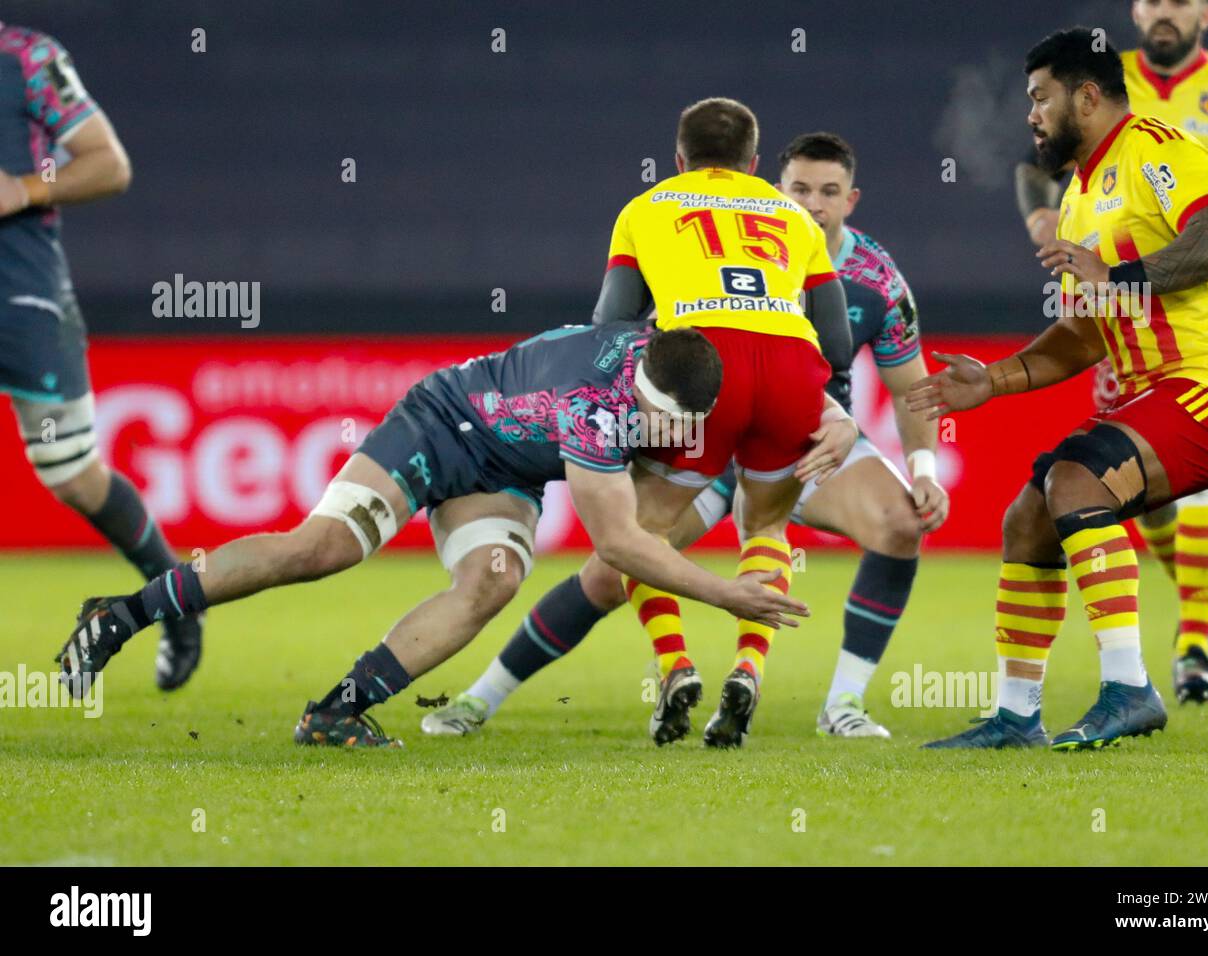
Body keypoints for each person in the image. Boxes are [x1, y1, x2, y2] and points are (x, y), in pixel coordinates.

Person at [56, 324, 820, 747]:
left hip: (507, 468)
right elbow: (618, 546)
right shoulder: (596, 407)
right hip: (442, 422)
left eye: (686, 423)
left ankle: (335, 713)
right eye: (663, 421)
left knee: (490, 580)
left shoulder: (670, 370)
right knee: (323, 549)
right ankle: (122, 615)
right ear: (640, 390)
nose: (673, 436)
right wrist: (727, 594)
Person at [424, 132, 948, 741]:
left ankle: (842, 705)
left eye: (828, 192)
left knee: (900, 525)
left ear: (851, 199)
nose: (812, 204)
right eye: (799, 189)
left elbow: (912, 384)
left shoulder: (875, 278)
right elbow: (670, 349)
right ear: (771, 187)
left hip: (811, 441)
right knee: (609, 569)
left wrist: (923, 470)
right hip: (718, 418)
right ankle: (481, 697)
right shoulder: (733, 240)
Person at [916, 27, 1208, 750]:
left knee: (1078, 483)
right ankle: (1017, 717)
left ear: (1086, 96)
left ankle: (1130, 688)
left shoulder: (1157, 148)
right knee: (1028, 518)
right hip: (1158, 396)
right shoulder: (1081, 194)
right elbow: (1084, 336)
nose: (1031, 114)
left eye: (1040, 97)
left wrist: (1117, 277)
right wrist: (991, 380)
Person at [541, 97, 855, 748]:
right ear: (755, 163)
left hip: (703, 366)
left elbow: (612, 321)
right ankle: (749, 667)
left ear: (678, 160)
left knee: (639, 531)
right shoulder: (793, 216)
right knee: (765, 525)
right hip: (791, 366)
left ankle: (675, 663)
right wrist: (828, 399)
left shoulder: (646, 207)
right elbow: (835, 331)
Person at [1013, 0, 1208, 701]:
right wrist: (1043, 217)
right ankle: (1205, 605)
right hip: (1128, 322)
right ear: (1137, 13)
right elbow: (1035, 168)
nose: (1166, 11)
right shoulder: (1102, 86)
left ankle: (1199, 635)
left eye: (1181, 0)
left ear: (1205, 13)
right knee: (1143, 491)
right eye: (1154, 0)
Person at [0, 21, 203, 689]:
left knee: (71, 473)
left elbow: (108, 163)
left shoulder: (26, 58)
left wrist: (25, 189)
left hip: (19, 294)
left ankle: (173, 600)